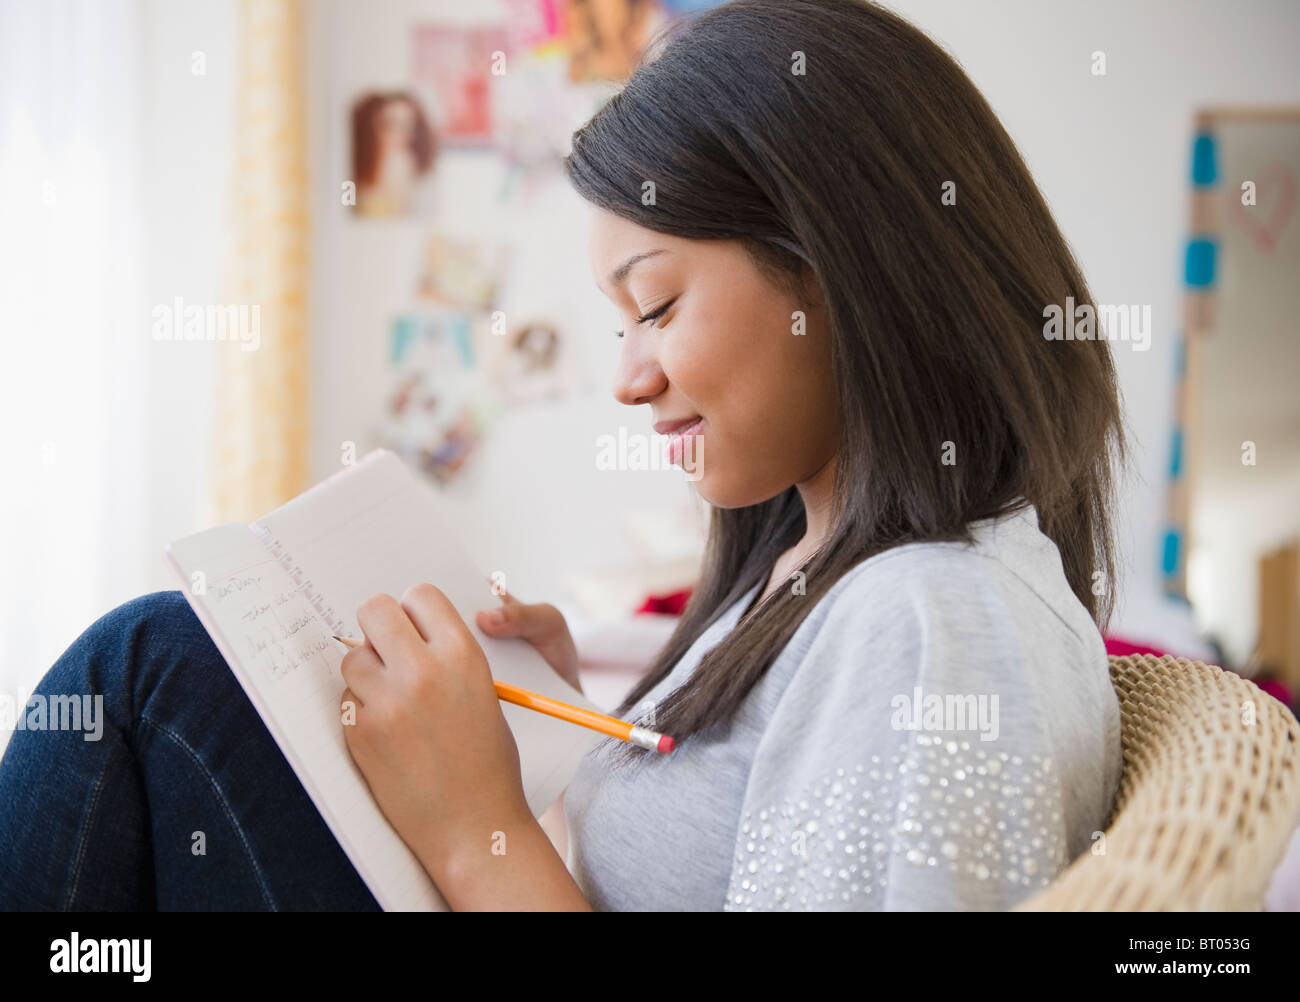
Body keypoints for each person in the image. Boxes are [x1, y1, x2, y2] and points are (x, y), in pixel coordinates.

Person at [0, 0, 1126, 911]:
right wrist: (568, 717)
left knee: (146, 672)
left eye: (659, 303)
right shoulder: (819, 562)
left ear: (841, 266)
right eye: (617, 324)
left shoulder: (932, 623)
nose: (628, 380)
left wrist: (475, 829)